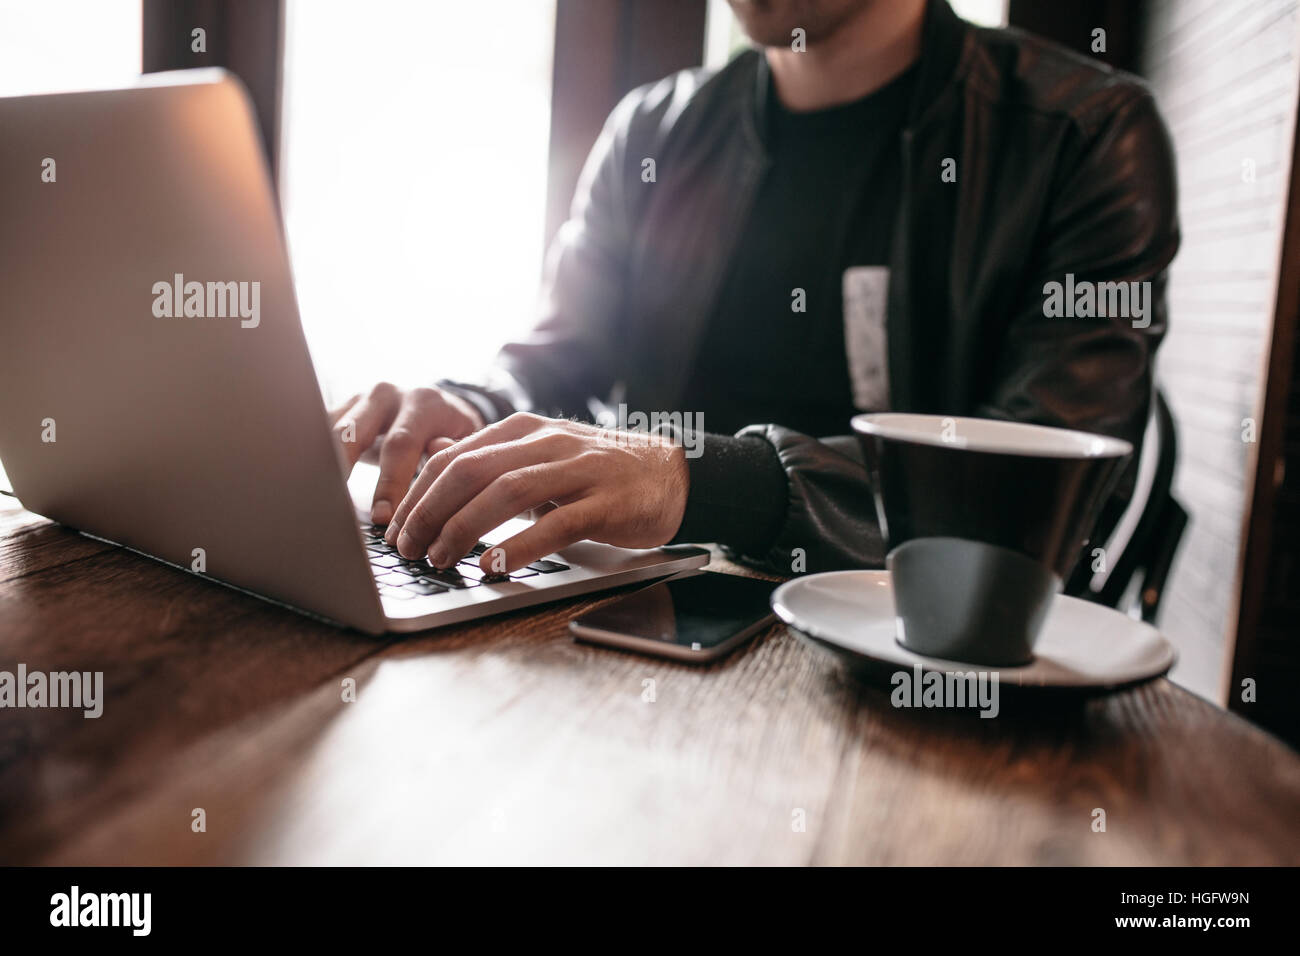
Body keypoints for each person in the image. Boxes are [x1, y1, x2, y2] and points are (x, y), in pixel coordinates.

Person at [329, 0, 1179, 578]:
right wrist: (473, 406)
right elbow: (561, 356)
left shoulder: (1085, 135)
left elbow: (1038, 491)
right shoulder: (651, 132)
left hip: (911, 662)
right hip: (644, 617)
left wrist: (696, 480)